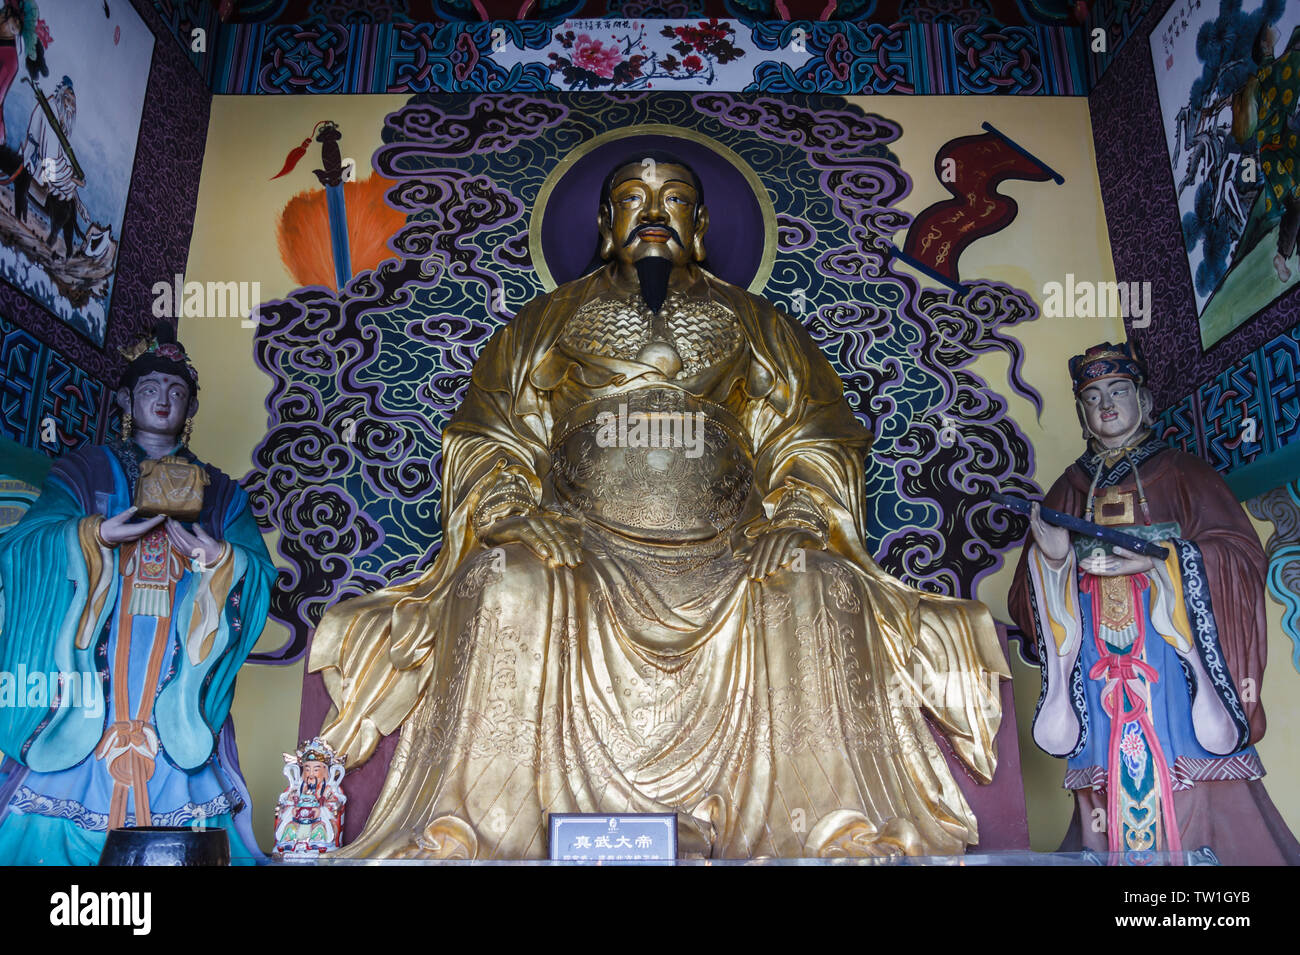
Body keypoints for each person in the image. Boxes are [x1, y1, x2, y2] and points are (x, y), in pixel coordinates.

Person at [310, 151, 1010, 860]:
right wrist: (510, 510)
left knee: (815, 584)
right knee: (500, 583)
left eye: (673, 200)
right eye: (632, 199)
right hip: (578, 544)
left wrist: (797, 515)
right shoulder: (543, 321)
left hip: (731, 548)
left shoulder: (757, 322)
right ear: (603, 222)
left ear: (699, 225)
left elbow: (815, 434)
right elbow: (489, 433)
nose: (651, 213)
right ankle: (474, 828)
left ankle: (832, 830)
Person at [1008, 342, 1300, 864]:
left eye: (1118, 391)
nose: (1106, 406)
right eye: (1092, 397)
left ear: (1143, 398)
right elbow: (1025, 599)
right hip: (1098, 662)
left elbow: (1238, 555)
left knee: (1183, 766)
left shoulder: (1184, 472)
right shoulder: (1068, 490)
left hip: (1172, 658)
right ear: (1081, 412)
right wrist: (1054, 564)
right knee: (1108, 774)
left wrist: (1162, 562)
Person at [0, 324, 275, 864]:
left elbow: (260, 574)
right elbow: (23, 545)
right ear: (127, 398)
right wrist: (95, 534)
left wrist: (220, 558)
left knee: (182, 749)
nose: (163, 400)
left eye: (176, 391)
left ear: (190, 405)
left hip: (179, 654)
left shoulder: (221, 493)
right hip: (97, 640)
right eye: (150, 388)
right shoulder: (84, 470)